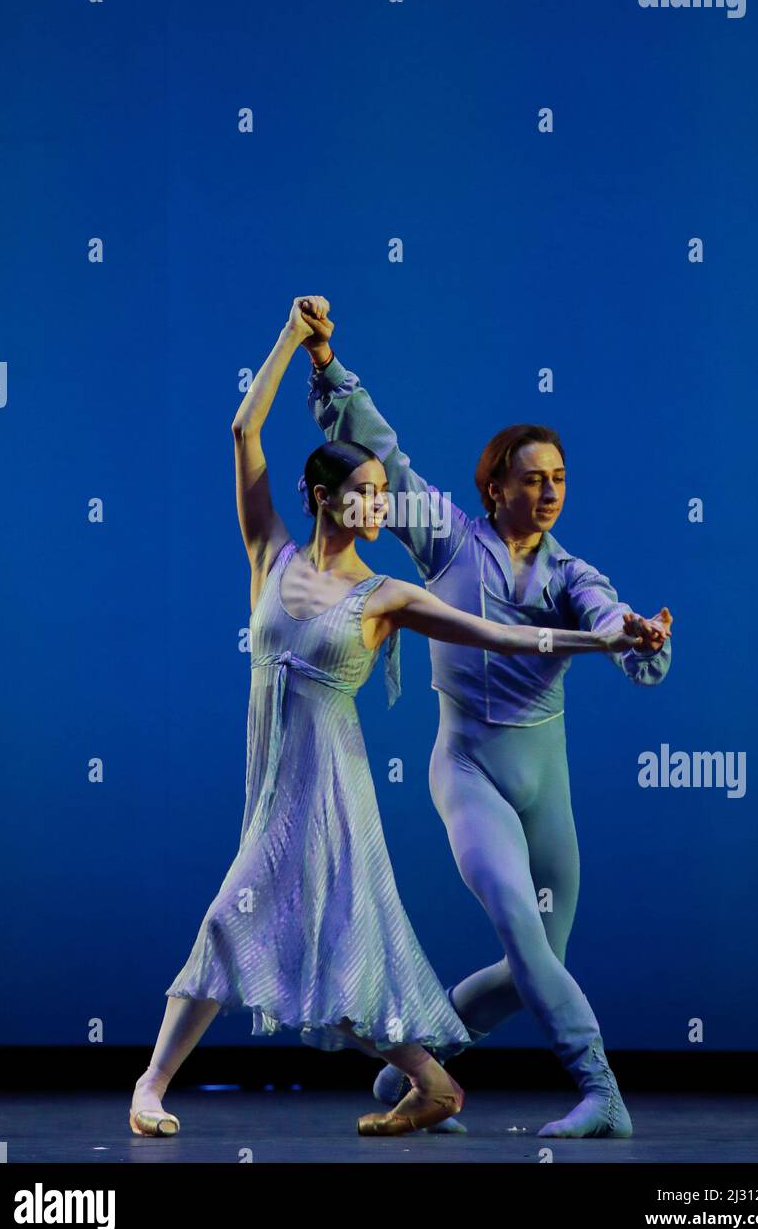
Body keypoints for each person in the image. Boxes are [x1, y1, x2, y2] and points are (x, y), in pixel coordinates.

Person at [128, 299, 642, 1140]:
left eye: (379, 499)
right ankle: (419, 1084)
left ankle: (167, 1087)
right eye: (360, 497)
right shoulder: (272, 555)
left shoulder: (389, 594)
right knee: (279, 939)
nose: (376, 510)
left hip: (336, 791)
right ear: (321, 497)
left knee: (311, 942)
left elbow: (509, 635)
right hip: (275, 786)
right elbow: (240, 432)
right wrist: (296, 343)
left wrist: (609, 636)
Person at [302, 295, 674, 1138]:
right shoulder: (446, 539)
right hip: (467, 771)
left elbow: (613, 623)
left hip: (548, 788)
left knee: (529, 966)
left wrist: (636, 636)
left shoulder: (573, 573)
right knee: (515, 917)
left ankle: (422, 1074)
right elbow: (384, 460)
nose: (548, 494)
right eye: (532, 479)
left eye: (560, 481)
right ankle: (602, 1092)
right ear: (496, 484)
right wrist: (327, 368)